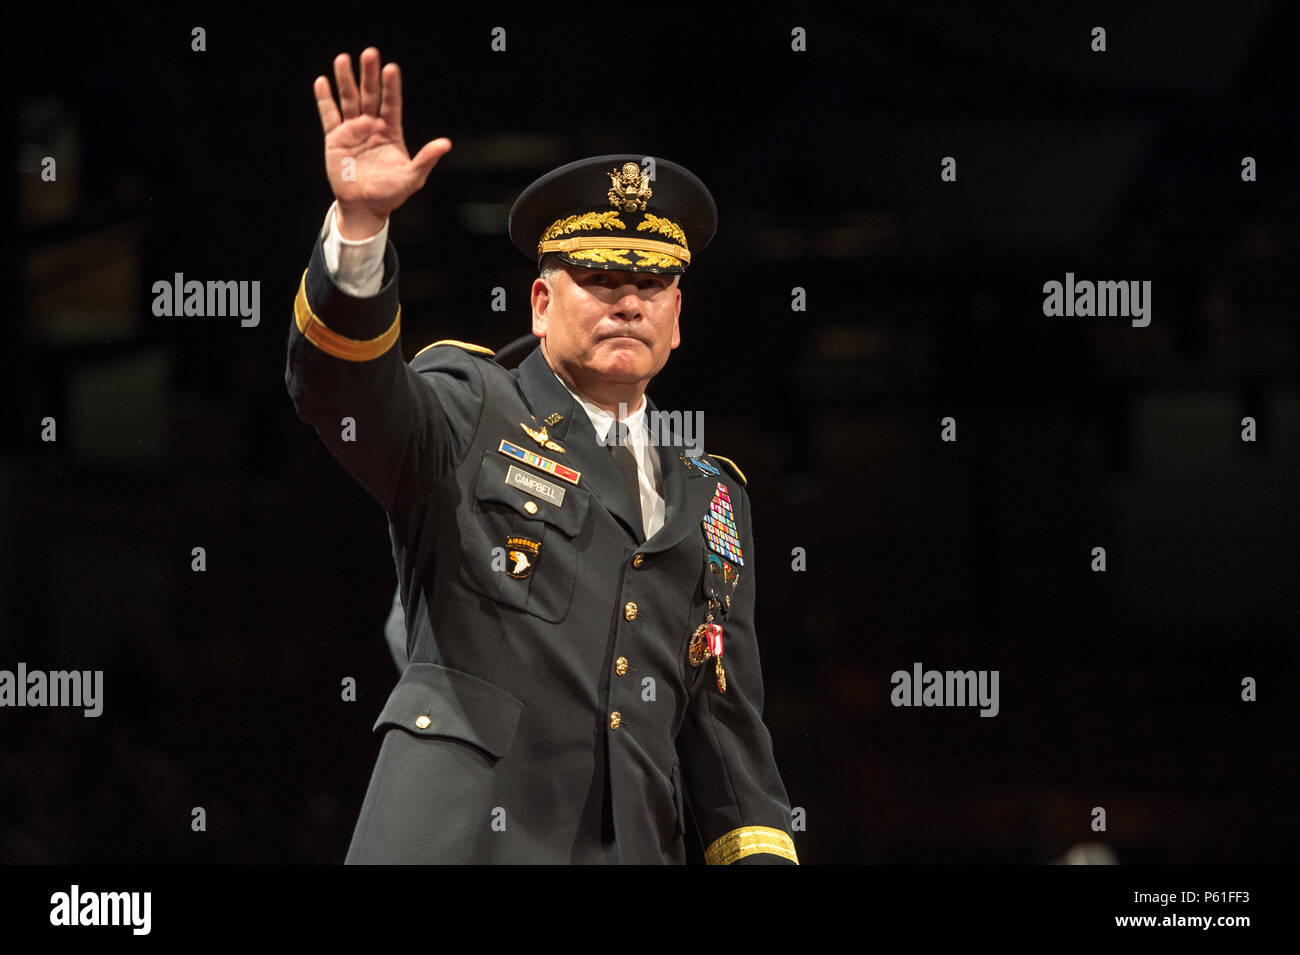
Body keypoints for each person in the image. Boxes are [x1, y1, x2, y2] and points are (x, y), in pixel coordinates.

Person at [287, 47, 798, 864]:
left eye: (653, 281)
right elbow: (344, 397)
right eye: (599, 275)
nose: (628, 299)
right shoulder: (471, 406)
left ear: (677, 313)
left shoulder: (714, 500)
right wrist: (360, 231)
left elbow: (729, 748)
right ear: (540, 298)